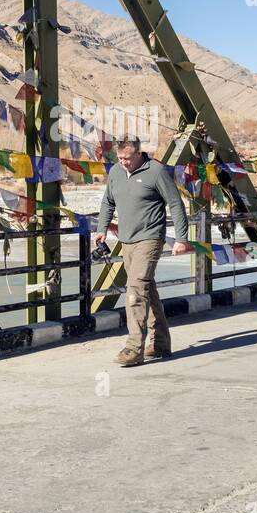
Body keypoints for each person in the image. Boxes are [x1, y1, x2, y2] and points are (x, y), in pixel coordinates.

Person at [94, 135, 191, 367]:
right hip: (126, 239)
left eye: (127, 158)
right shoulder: (116, 172)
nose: (124, 162)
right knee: (146, 288)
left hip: (149, 238)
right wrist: (101, 229)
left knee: (136, 289)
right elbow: (108, 201)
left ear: (138, 154)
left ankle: (133, 347)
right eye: (120, 158)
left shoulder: (155, 171)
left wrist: (181, 238)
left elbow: (175, 203)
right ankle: (160, 343)